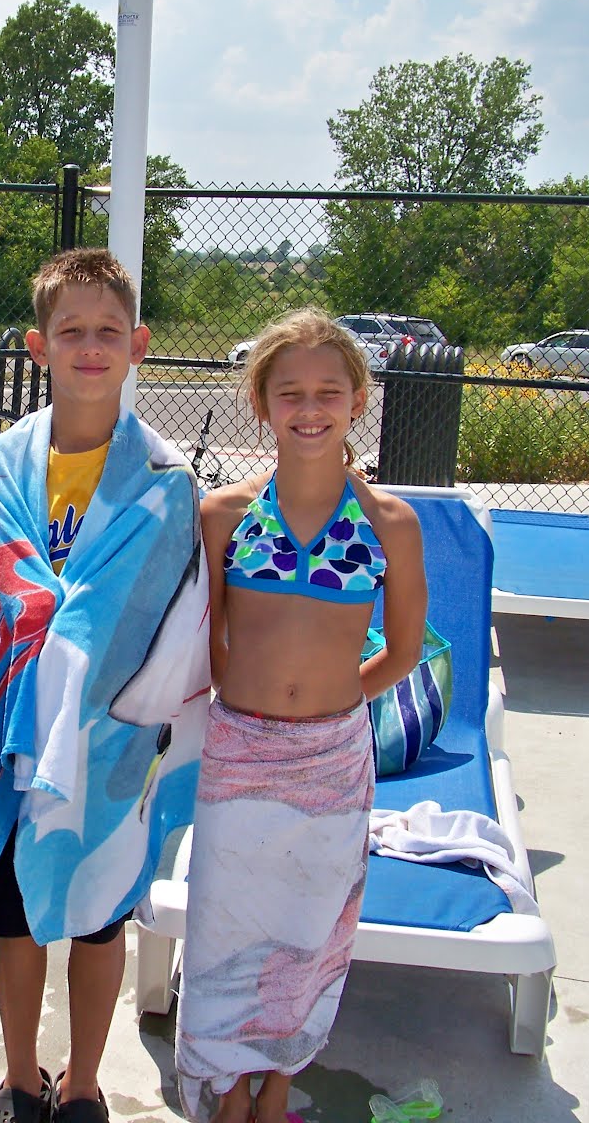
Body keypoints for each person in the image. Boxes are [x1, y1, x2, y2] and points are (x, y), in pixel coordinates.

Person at [0, 249, 210, 1123]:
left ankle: (86, 1083)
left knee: (102, 914)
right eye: (71, 332)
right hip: (9, 739)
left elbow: (180, 621)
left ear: (138, 344)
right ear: (38, 345)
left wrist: (129, 706)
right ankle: (22, 1078)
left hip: (111, 741)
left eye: (108, 332)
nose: (90, 347)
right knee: (12, 914)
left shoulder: (168, 487)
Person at [175, 307, 426, 1123]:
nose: (309, 408)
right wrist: (244, 701)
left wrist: (334, 701)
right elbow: (205, 638)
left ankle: (277, 1080)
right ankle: (228, 1081)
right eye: (290, 393)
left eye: (328, 391)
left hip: (332, 757)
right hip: (240, 749)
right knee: (225, 923)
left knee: (310, 929)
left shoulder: (390, 524)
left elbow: (405, 652)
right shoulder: (225, 515)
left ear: (358, 400)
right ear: (262, 404)